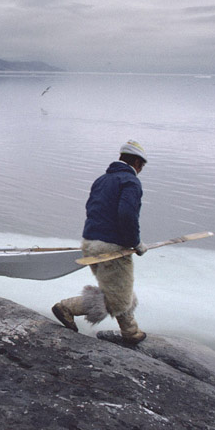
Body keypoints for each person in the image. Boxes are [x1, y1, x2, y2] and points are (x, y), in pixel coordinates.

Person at [52, 141, 149, 343]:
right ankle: (67, 307)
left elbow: (92, 209)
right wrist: (135, 242)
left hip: (90, 242)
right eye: (142, 165)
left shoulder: (102, 180)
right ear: (137, 162)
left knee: (119, 288)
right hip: (112, 248)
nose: (141, 170)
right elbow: (127, 215)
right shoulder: (130, 182)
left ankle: (130, 331)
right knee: (118, 298)